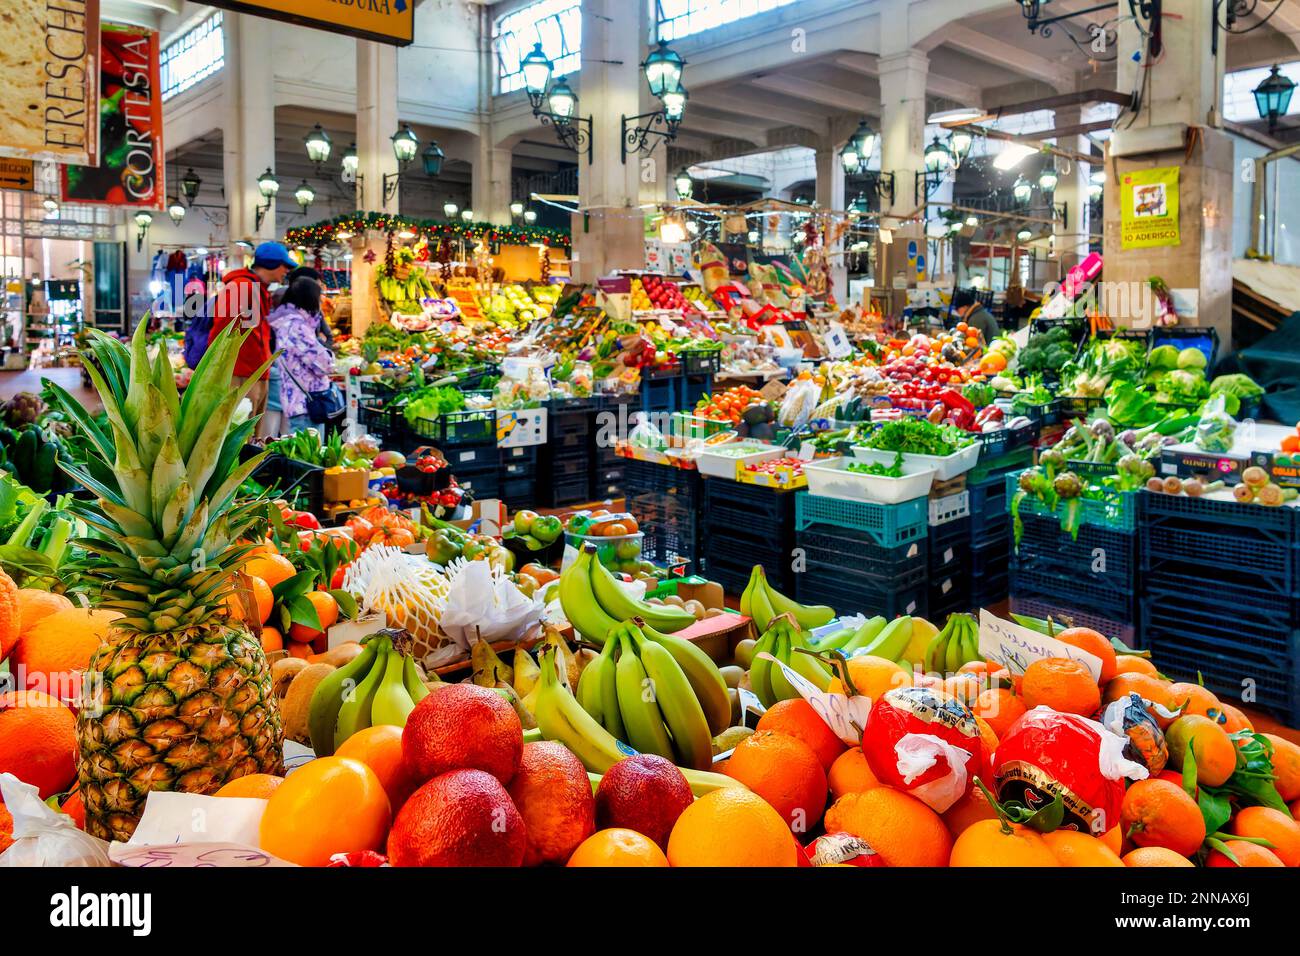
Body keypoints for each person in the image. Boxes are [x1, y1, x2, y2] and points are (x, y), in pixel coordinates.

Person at [208, 241, 295, 429]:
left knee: (251, 438)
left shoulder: (257, 288)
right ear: (271, 264)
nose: (287, 270)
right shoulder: (242, 287)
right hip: (240, 374)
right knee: (239, 437)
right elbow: (222, 332)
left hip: (254, 372)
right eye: (284, 265)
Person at [267, 275, 335, 435]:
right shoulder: (296, 327)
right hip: (305, 404)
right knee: (307, 455)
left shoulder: (286, 322)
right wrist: (328, 353)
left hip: (297, 401)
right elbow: (324, 364)